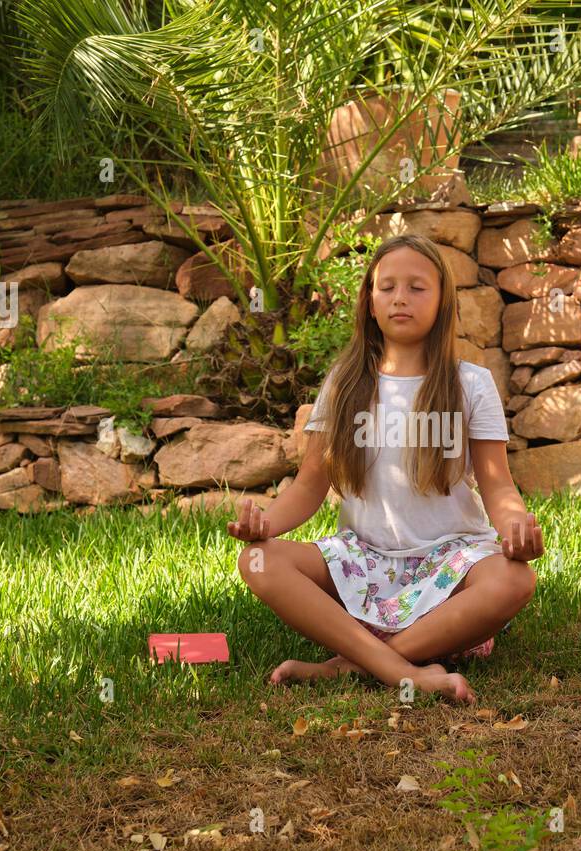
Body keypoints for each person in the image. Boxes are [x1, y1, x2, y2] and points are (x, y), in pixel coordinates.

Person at [229, 233, 544, 704]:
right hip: (364, 560)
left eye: (418, 287)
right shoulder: (344, 382)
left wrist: (516, 527)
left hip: (449, 562)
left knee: (515, 579)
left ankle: (352, 664)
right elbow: (310, 484)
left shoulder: (470, 384)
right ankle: (402, 669)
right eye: (387, 287)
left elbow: (498, 484)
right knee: (257, 560)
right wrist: (265, 523)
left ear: (442, 303)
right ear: (369, 302)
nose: (400, 297)